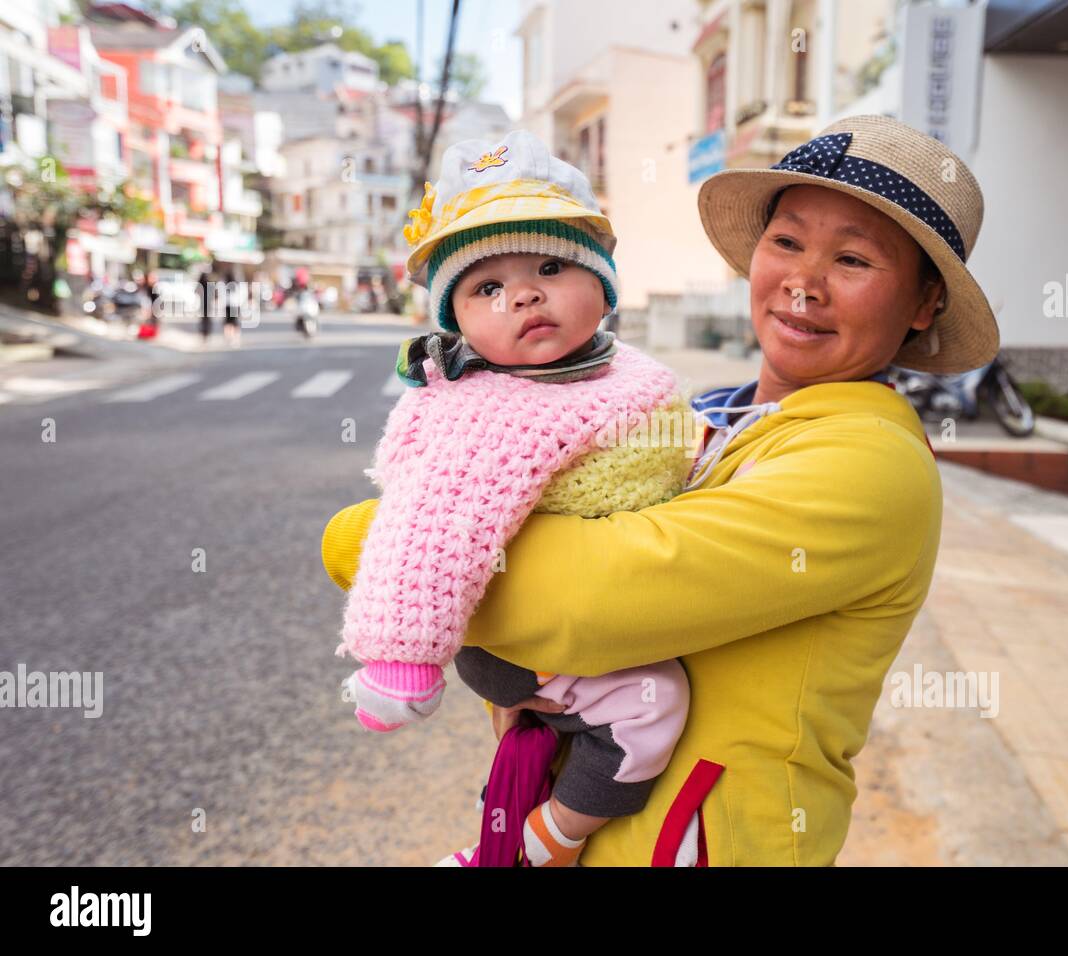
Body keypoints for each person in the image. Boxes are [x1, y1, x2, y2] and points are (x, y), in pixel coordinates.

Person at [322, 115, 1001, 866]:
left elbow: (590, 601)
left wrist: (373, 538)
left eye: (852, 259)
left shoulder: (870, 463)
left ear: (923, 304)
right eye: (786, 243)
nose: (803, 283)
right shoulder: (697, 419)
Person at [333, 129, 695, 867]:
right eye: (487, 287)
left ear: (603, 284)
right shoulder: (494, 411)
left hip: (575, 612)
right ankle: (547, 841)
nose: (523, 293)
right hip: (511, 638)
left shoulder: (617, 369)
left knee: (544, 742)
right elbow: (429, 528)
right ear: (457, 320)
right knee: (650, 706)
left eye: (552, 266)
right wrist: (401, 658)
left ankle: (501, 827)